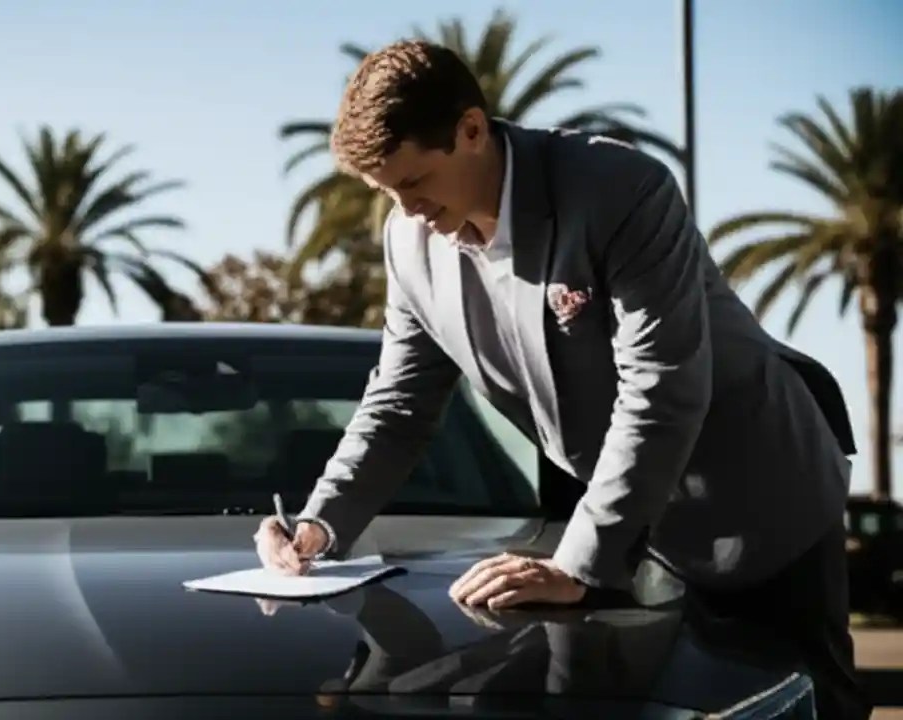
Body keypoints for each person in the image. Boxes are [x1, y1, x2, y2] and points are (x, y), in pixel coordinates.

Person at [252, 40, 868, 719]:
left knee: (808, 707)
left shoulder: (620, 191)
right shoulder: (409, 243)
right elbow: (398, 404)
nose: (408, 211)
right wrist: (320, 525)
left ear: (472, 130)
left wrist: (577, 563)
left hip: (763, 502)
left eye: (416, 183)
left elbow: (661, 386)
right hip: (635, 533)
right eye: (388, 194)